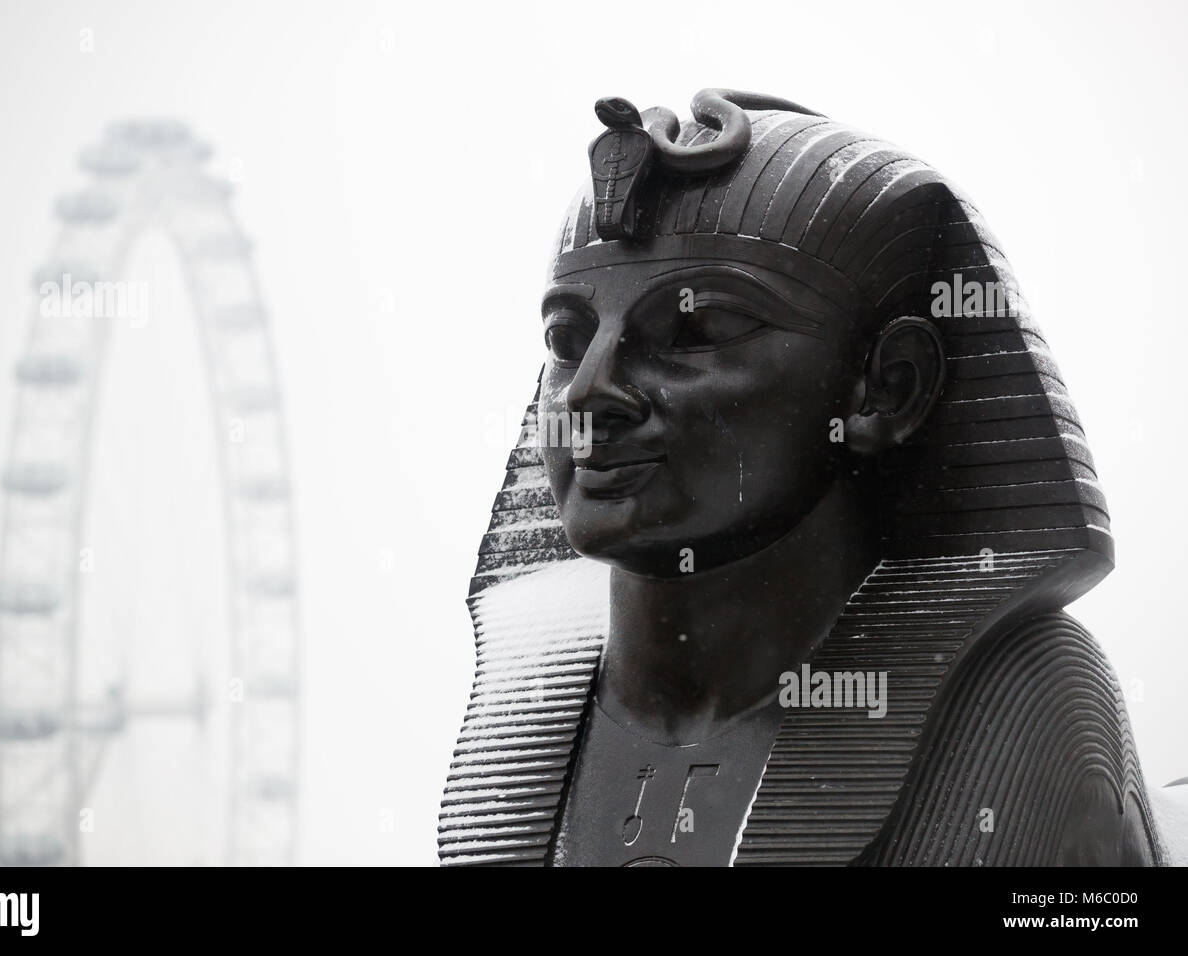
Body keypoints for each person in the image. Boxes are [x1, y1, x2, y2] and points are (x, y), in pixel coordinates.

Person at [440, 90, 1163, 866]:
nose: (587, 392)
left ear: (886, 386)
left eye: (698, 329)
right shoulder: (537, 719)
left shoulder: (1020, 698)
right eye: (567, 338)